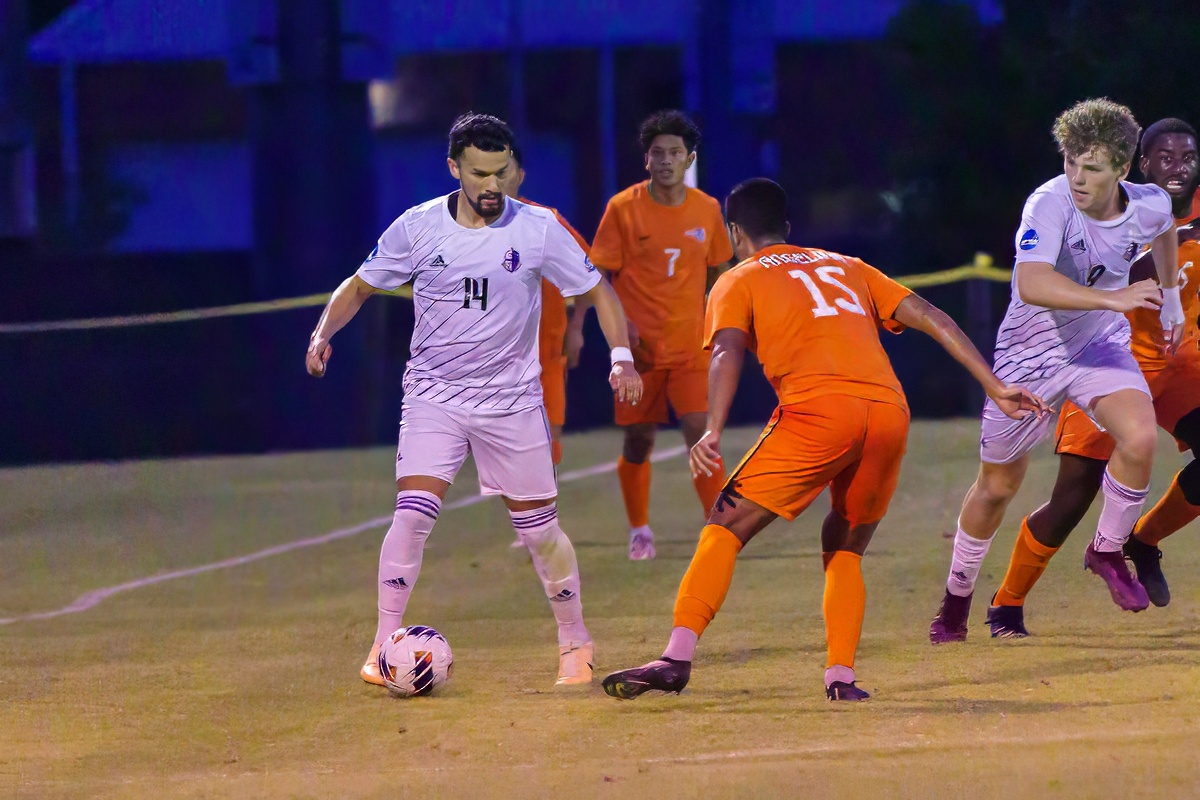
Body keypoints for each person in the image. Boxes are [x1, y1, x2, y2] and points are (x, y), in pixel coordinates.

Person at [601, 178, 1045, 702]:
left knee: (725, 526)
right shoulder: (847, 264)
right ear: (788, 227)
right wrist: (994, 385)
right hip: (887, 412)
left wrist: (713, 429)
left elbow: (725, 351)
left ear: (735, 231)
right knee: (844, 548)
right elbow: (931, 316)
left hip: (816, 411)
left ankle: (676, 657)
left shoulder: (737, 277)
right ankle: (841, 677)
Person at [304, 113, 643, 687]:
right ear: (454, 168)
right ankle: (383, 643)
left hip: (510, 401)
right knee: (411, 517)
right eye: (480, 173)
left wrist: (621, 358)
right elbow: (360, 285)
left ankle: (575, 642)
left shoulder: (537, 229)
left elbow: (598, 291)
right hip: (434, 396)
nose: (492, 186)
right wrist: (321, 334)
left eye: (502, 172)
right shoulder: (418, 227)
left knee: (539, 530)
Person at [929, 99, 1184, 645]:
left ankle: (1108, 550)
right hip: (1030, 358)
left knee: (1139, 439)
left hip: (1099, 351)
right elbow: (1031, 284)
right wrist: (1114, 298)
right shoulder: (1048, 202)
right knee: (997, 486)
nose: (1076, 176)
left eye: (1091, 167)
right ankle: (956, 598)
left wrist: (1173, 301)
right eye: (1070, 161)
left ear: (1121, 167)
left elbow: (1165, 229)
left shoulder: (1149, 203)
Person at [582, 109, 734, 560]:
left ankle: (719, 530)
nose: (665, 160)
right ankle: (639, 529)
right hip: (639, 353)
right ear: (646, 160)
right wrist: (616, 324)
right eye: (657, 153)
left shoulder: (707, 210)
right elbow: (597, 274)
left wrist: (729, 321)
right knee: (639, 440)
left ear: (689, 159)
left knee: (699, 432)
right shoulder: (623, 209)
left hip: (691, 347)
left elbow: (722, 274)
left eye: (674, 152)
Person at [499, 143, 592, 548]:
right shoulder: (464, 226)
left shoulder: (546, 221)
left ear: (519, 176)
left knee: (545, 434)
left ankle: (540, 523)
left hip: (545, 347)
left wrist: (577, 327)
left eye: (503, 172)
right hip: (495, 354)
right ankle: (528, 519)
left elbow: (588, 273)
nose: (494, 181)